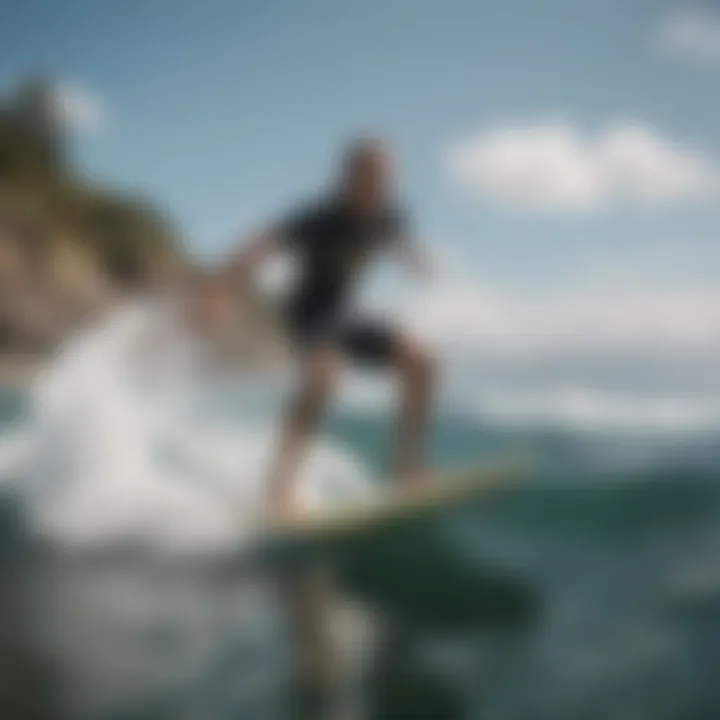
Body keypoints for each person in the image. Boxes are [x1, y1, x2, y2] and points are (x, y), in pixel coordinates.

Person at [228, 138, 437, 519]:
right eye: (372, 176)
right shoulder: (319, 216)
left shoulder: (390, 216)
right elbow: (260, 246)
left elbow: (400, 238)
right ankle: (278, 488)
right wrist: (220, 293)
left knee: (423, 362)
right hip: (305, 314)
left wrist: (416, 260)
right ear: (348, 177)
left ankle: (406, 469)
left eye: (387, 177)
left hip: (345, 314)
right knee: (325, 379)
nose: (381, 186)